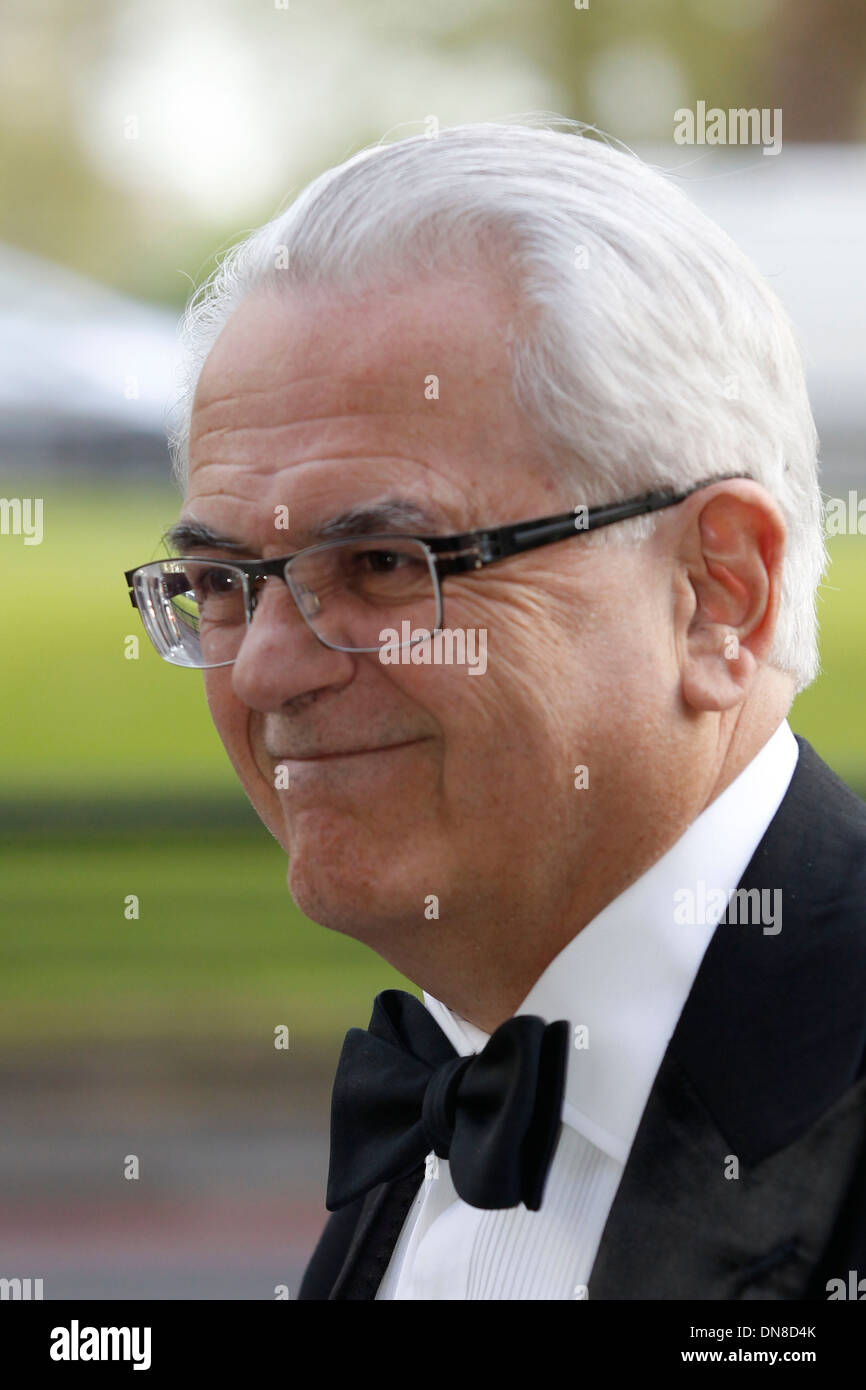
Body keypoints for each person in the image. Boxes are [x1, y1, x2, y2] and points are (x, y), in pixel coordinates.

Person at [123, 119, 866, 1300]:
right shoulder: (431, 1098)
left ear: (720, 591)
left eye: (378, 562)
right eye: (222, 583)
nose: (266, 671)